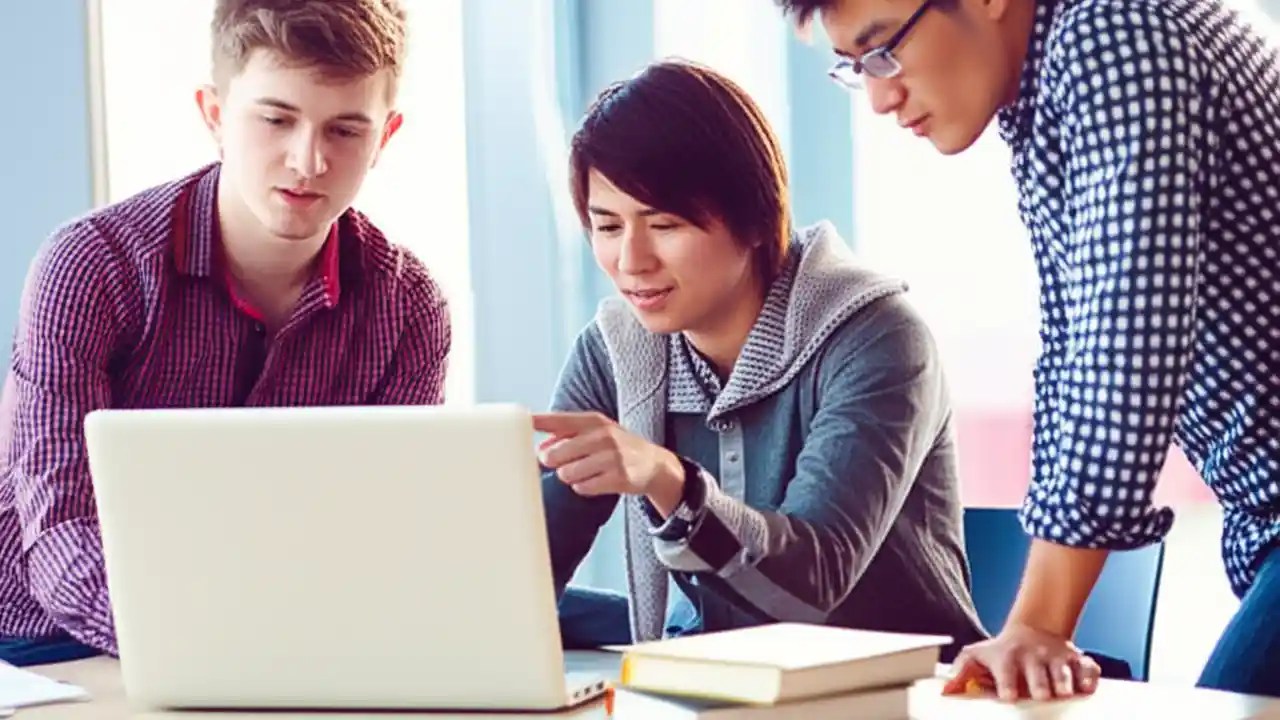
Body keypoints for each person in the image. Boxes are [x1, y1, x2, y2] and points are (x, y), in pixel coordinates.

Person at [774, 0, 1280, 701]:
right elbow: (1073, 350)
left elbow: (1123, 343)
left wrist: (1041, 622)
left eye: (884, 48)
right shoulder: (1045, 83)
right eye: (857, 68)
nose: (882, 98)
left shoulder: (1117, 36)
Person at [0, 0, 450, 665]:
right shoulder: (92, 267)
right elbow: (61, 526)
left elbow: (379, 532)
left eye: (346, 130)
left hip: (275, 648)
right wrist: (214, 643)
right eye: (276, 119)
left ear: (386, 135)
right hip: (40, 648)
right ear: (214, 113)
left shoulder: (409, 307)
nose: (309, 160)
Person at [534, 58, 988, 660]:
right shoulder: (616, 350)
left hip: (894, 696)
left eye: (664, 224)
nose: (631, 260)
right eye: (607, 226)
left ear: (752, 218)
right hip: (714, 688)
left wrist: (669, 481)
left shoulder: (877, 338)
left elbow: (812, 587)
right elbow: (526, 572)